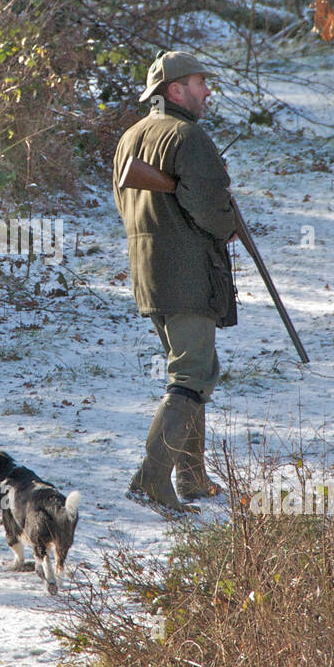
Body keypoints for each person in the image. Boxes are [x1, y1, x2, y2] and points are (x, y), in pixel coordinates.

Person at [112, 52, 239, 512]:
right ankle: (152, 479)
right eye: (200, 82)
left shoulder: (129, 138)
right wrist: (229, 222)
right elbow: (210, 210)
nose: (207, 91)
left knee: (193, 370)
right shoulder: (188, 136)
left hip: (149, 274)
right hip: (188, 275)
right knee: (191, 375)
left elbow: (124, 203)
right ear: (175, 90)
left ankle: (192, 478)